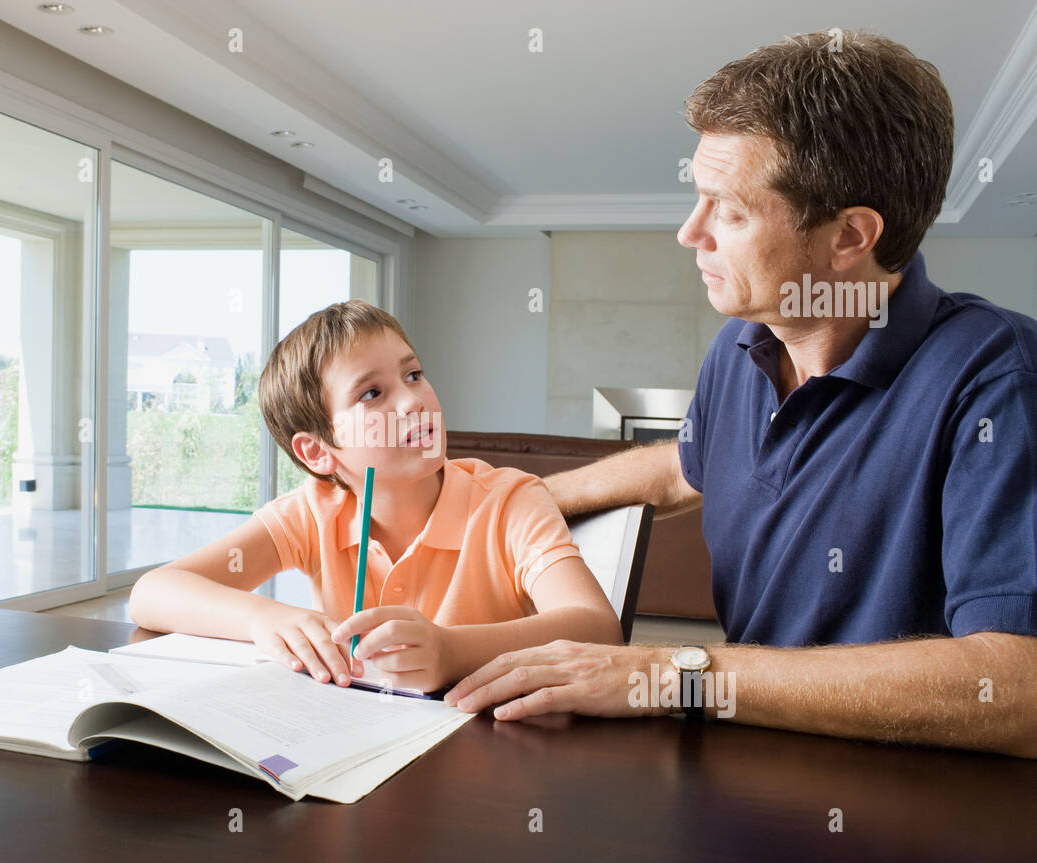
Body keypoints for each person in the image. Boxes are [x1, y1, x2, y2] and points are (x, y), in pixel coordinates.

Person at [444, 29, 1037, 758]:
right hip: (746, 762)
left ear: (849, 236)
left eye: (729, 210)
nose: (691, 233)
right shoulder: (743, 344)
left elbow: (1018, 686)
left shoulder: (998, 378)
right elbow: (683, 469)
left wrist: (672, 676)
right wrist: (523, 499)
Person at [129, 299, 621, 693]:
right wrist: (264, 617)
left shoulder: (510, 502)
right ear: (318, 452)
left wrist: (450, 650)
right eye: (372, 394)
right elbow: (152, 593)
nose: (414, 400)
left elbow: (598, 630)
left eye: (413, 374)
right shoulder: (312, 512)